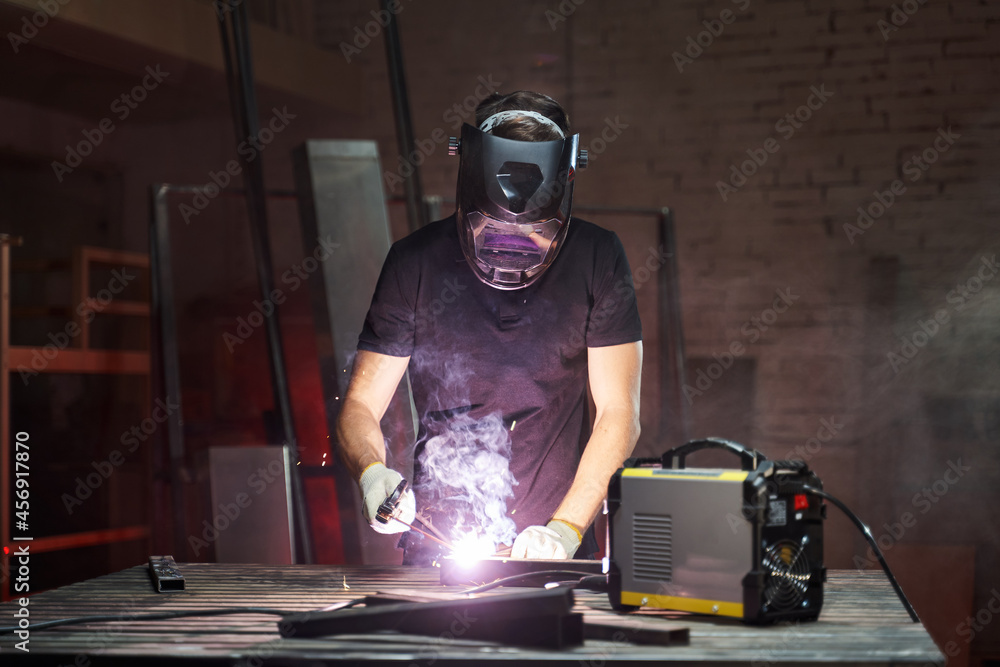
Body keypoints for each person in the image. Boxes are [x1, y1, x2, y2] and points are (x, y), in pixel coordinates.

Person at [336, 90, 642, 565]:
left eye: (534, 231)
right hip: (440, 548)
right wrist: (373, 473)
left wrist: (563, 530)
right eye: (497, 229)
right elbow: (360, 404)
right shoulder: (414, 262)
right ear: (470, 179)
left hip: (556, 549)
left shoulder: (597, 257)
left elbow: (618, 414)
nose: (513, 248)